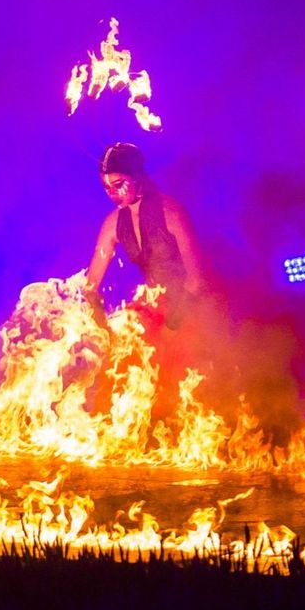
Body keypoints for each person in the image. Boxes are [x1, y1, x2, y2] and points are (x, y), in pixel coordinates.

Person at [83, 143, 212, 416]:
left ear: (138, 175)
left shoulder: (171, 213)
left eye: (120, 184)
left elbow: (199, 282)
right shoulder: (113, 223)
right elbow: (90, 286)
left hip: (192, 313)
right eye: (106, 188)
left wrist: (173, 328)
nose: (113, 193)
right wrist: (101, 327)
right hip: (157, 312)